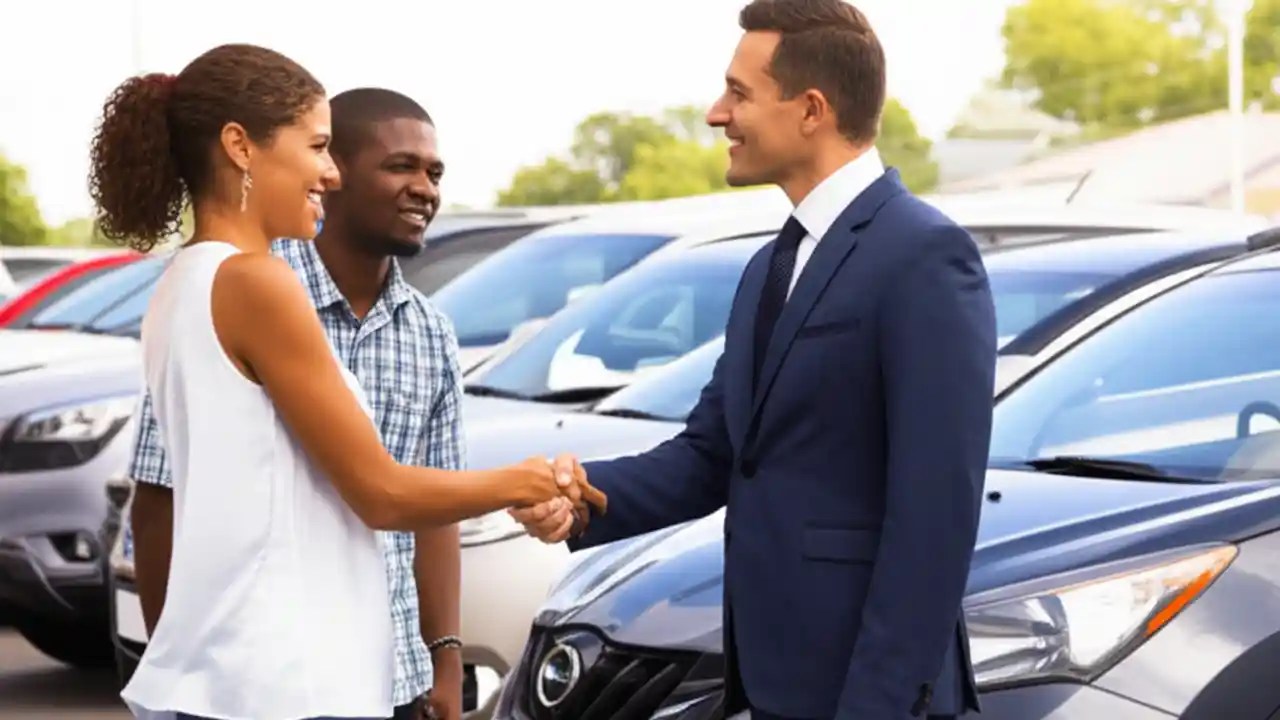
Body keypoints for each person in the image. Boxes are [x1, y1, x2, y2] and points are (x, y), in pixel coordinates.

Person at [512, 1, 996, 719]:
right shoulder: (768, 267)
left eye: (738, 93)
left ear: (811, 110)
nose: (716, 114)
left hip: (869, 695)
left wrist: (878, 706)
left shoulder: (924, 255)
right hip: (771, 686)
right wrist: (583, 500)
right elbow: (714, 455)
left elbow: (934, 520)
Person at [89, 44, 572, 720]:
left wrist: (441, 650)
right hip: (287, 681)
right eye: (317, 146)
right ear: (241, 147)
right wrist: (530, 480)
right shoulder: (258, 282)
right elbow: (380, 491)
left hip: (239, 677)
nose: (328, 172)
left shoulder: (185, 279)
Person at [122, 83, 479, 720]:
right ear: (333, 170)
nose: (425, 188)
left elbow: (435, 506)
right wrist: (179, 663)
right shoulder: (241, 286)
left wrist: (443, 655)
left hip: (385, 681)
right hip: (268, 684)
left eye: (434, 172)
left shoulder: (432, 331)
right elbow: (158, 495)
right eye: (401, 166)